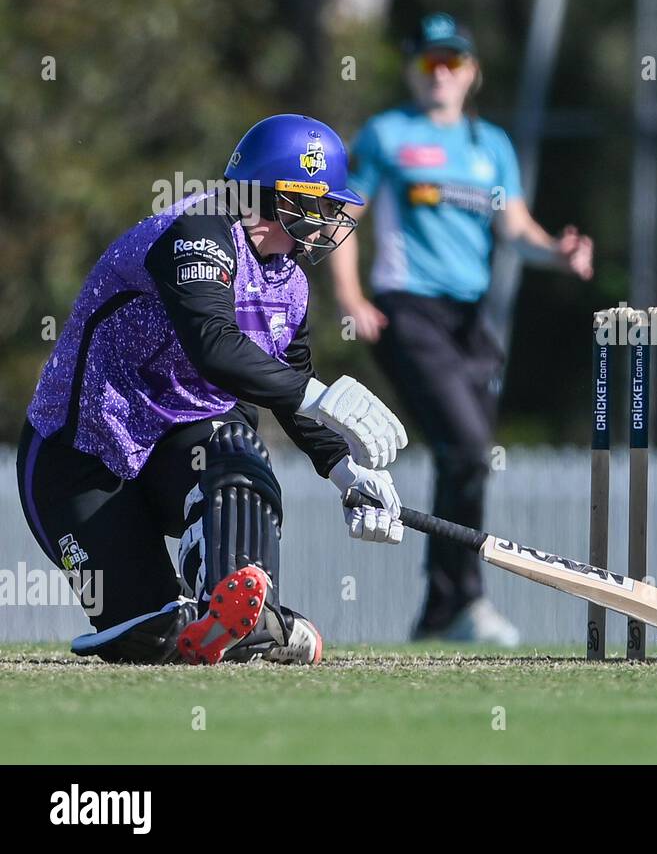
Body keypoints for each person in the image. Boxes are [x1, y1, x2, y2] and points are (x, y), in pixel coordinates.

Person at [15, 114, 409, 665]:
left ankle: (250, 614)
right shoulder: (197, 229)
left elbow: (285, 387)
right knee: (155, 633)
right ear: (277, 196)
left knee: (233, 448)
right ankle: (262, 626)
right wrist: (322, 397)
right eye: (319, 206)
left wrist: (346, 471)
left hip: (183, 446)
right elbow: (215, 346)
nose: (328, 224)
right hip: (80, 455)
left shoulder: (289, 280)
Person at [331, 12, 594, 644]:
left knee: (466, 461)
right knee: (469, 447)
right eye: (428, 62)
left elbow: (515, 229)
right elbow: (344, 213)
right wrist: (350, 295)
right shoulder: (388, 135)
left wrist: (555, 252)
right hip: (408, 310)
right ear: (413, 71)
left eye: (453, 62)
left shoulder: (490, 146)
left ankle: (442, 611)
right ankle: (462, 603)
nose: (440, 73)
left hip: (473, 324)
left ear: (471, 72)